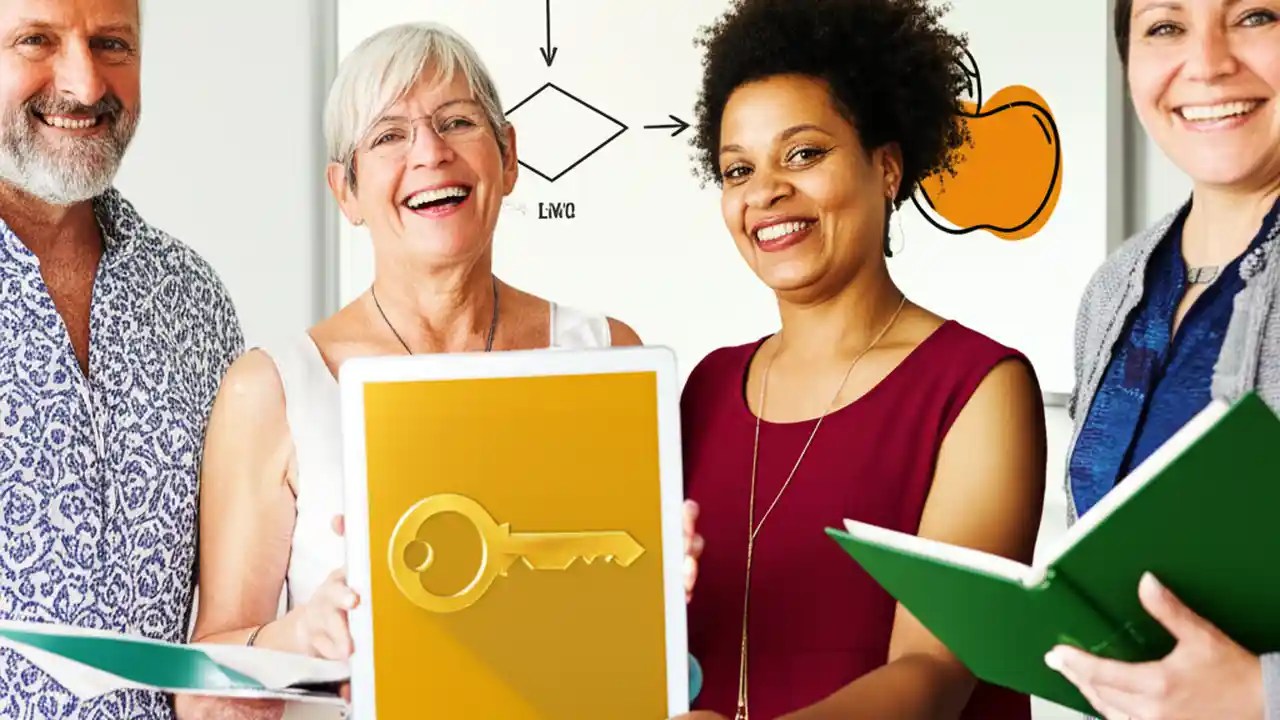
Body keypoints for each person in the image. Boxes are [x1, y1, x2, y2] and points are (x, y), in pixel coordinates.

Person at [179, 21, 644, 719]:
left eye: (456, 121)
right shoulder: (272, 388)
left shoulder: (607, 354)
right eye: (389, 135)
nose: (430, 151)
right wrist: (290, 646)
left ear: (509, 156)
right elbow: (199, 695)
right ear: (347, 192)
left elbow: (636, 629)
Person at [674, 0, 1048, 718]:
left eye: (804, 153)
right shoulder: (705, 388)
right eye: (736, 169)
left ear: (885, 167)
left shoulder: (977, 387)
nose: (765, 191)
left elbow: (934, 673)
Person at [0, 0, 244, 717]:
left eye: (111, 44)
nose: (83, 84)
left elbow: (234, 606)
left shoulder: (192, 299)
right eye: (35, 41)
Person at [1043, 1, 1280, 718]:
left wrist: (1258, 694)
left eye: (1256, 16)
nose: (1207, 62)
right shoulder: (1116, 285)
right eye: (1166, 26)